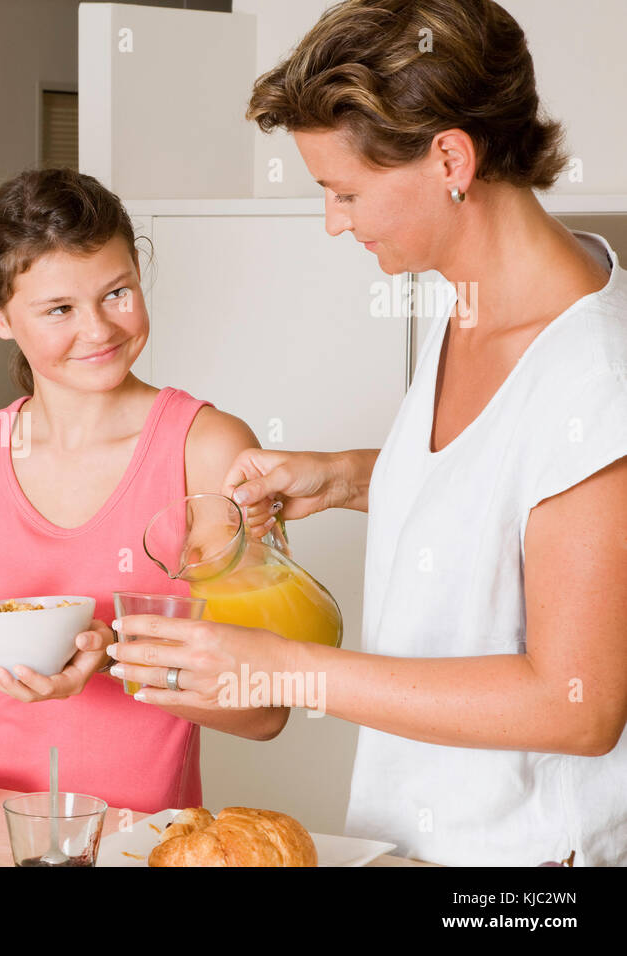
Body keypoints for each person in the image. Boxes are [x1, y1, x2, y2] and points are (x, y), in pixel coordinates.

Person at [108, 0, 627, 865]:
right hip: (417, 839)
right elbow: (516, 485)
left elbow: (577, 706)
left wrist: (281, 666)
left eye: (345, 191)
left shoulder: (592, 376)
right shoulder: (469, 307)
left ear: (451, 158)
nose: (334, 221)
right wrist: (348, 477)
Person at [0, 168, 287, 814]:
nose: (100, 330)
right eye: (59, 309)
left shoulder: (207, 449)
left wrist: (113, 657)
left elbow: (264, 708)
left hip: (134, 836)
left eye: (117, 292)